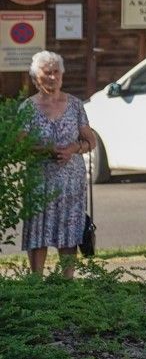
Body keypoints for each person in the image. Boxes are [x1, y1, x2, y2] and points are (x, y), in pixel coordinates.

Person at [20, 50, 98, 278]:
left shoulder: (74, 105)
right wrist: (47, 149)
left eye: (56, 72)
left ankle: (67, 283)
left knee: (69, 229)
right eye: (47, 73)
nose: (53, 77)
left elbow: (90, 140)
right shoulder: (27, 107)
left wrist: (74, 148)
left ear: (62, 75)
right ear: (36, 77)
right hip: (39, 181)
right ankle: (35, 281)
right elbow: (20, 146)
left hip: (71, 182)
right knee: (38, 229)